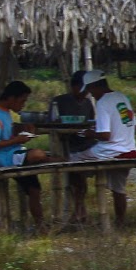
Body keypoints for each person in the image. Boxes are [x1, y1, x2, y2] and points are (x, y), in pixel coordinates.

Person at [0, 80, 61, 229]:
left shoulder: (5, 112)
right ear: (12, 98)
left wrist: (21, 128)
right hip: (6, 158)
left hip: (16, 154)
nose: (23, 104)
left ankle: (40, 226)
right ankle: (48, 159)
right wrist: (17, 139)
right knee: (37, 154)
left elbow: (7, 131)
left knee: (35, 191)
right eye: (22, 100)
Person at [73, 70, 136, 228]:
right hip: (129, 149)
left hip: (108, 151)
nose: (91, 95)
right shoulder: (122, 97)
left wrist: (90, 133)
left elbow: (105, 135)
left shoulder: (102, 102)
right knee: (119, 188)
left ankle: (79, 209)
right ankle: (120, 222)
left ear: (95, 86)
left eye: (90, 91)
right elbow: (133, 124)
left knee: (72, 160)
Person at [47, 70, 97, 225]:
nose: (84, 93)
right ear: (73, 87)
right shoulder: (59, 102)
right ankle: (79, 211)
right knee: (76, 178)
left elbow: (92, 122)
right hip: (67, 145)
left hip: (85, 144)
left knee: (80, 178)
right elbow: (52, 122)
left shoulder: (88, 103)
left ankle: (79, 211)